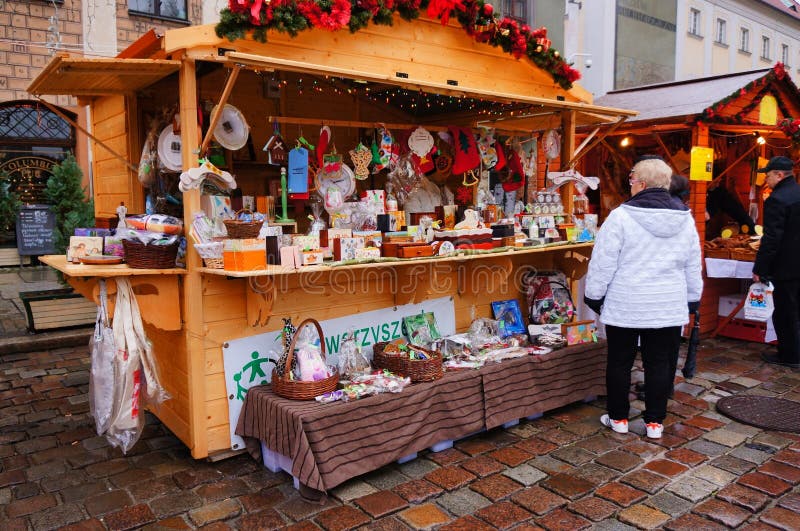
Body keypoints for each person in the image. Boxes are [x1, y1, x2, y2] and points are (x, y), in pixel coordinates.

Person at [585, 158, 703, 439]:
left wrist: (594, 296)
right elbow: (692, 264)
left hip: (626, 302)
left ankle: (618, 418)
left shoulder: (621, 216)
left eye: (631, 179)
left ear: (643, 183)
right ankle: (654, 423)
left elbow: (603, 262)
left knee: (619, 361)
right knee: (660, 363)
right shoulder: (685, 218)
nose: (630, 184)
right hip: (667, 303)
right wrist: (692, 299)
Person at [752, 156, 800, 369]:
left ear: (779, 175)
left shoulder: (777, 199)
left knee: (785, 312)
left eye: (768, 175)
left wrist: (760, 268)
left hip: (786, 266)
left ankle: (790, 355)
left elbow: (772, 239)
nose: (766, 179)